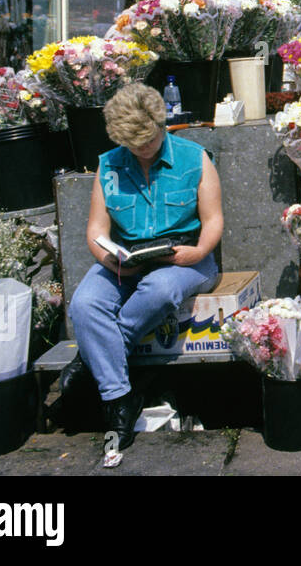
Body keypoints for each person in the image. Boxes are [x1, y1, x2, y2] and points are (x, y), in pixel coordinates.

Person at [60, 84, 223, 450]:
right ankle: (120, 399)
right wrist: (110, 259)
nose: (142, 151)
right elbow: (96, 231)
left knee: (161, 290)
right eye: (133, 146)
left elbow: (213, 221)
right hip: (127, 259)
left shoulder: (195, 158)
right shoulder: (109, 164)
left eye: (148, 142)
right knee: (85, 303)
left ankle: (91, 360)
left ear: (160, 125)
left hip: (184, 258)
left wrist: (196, 253)